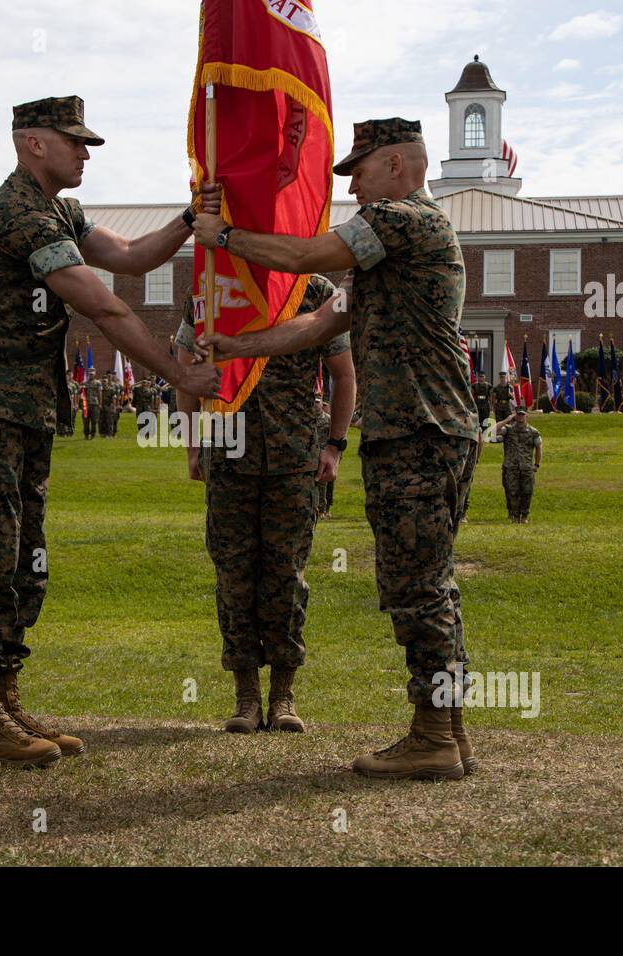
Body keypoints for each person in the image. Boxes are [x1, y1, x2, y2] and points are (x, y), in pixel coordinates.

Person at [0, 95, 220, 767]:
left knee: (27, 558)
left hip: (21, 411)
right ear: (34, 144)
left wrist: (188, 217)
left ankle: (5, 699)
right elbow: (106, 307)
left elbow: (134, 259)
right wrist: (181, 375)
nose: (86, 153)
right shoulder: (18, 215)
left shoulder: (59, 210)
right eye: (75, 141)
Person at [195, 117, 479, 780]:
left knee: (420, 587)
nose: (350, 186)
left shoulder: (406, 220)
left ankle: (436, 733)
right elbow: (323, 322)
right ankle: (445, 733)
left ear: (400, 168)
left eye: (360, 170)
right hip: (414, 431)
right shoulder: (392, 248)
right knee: (420, 583)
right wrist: (242, 347)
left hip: (419, 431)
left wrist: (225, 236)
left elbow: (301, 259)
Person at [176, 275, 355, 735]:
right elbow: (185, 368)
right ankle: (245, 697)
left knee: (285, 576)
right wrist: (192, 444)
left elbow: (343, 374)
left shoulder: (315, 291)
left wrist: (334, 445)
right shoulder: (213, 283)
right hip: (228, 453)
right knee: (234, 576)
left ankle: (282, 695)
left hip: (293, 457)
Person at [498, 408, 541, 523]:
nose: (521, 417)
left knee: (527, 491)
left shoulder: (533, 432)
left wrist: (536, 464)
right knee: (512, 491)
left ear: (526, 415)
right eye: (518, 415)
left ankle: (524, 515)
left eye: (523, 415)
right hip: (511, 466)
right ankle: (514, 515)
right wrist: (506, 420)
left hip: (526, 467)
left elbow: (538, 448)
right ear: (515, 416)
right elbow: (491, 435)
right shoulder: (507, 430)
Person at [82, 372, 100, 440]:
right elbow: (80, 392)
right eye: (90, 374)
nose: (91, 375)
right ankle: (86, 435)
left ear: (94, 375)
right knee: (86, 421)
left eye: (92, 374)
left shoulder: (97, 383)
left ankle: (93, 434)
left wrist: (100, 403)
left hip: (94, 404)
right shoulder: (85, 383)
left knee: (94, 421)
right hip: (86, 405)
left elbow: (99, 393)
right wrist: (82, 388)